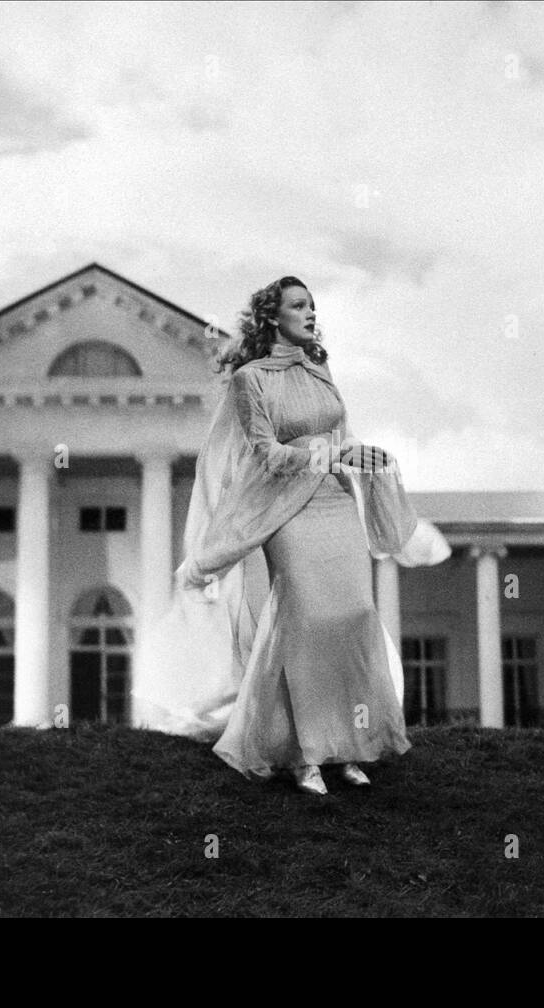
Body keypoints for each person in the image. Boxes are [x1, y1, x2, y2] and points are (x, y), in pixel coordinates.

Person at [134, 276, 450, 795]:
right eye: (298, 305)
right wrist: (327, 454)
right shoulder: (250, 380)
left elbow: (342, 437)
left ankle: (348, 746)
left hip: (336, 503)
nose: (309, 313)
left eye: (312, 305)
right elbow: (266, 454)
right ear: (272, 316)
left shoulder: (320, 370)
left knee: (354, 616)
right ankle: (304, 755)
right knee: (305, 620)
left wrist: (363, 455)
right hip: (286, 512)